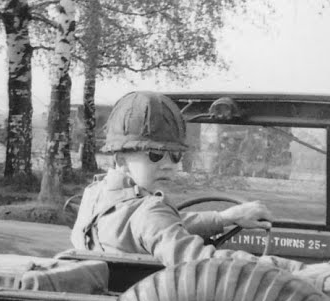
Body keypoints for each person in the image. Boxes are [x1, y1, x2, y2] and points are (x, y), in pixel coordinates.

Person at [70, 90, 274, 266]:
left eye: (175, 156)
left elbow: (160, 227)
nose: (170, 165)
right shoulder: (147, 211)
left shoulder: (95, 194)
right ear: (121, 159)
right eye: (155, 155)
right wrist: (284, 268)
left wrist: (223, 218)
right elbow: (202, 262)